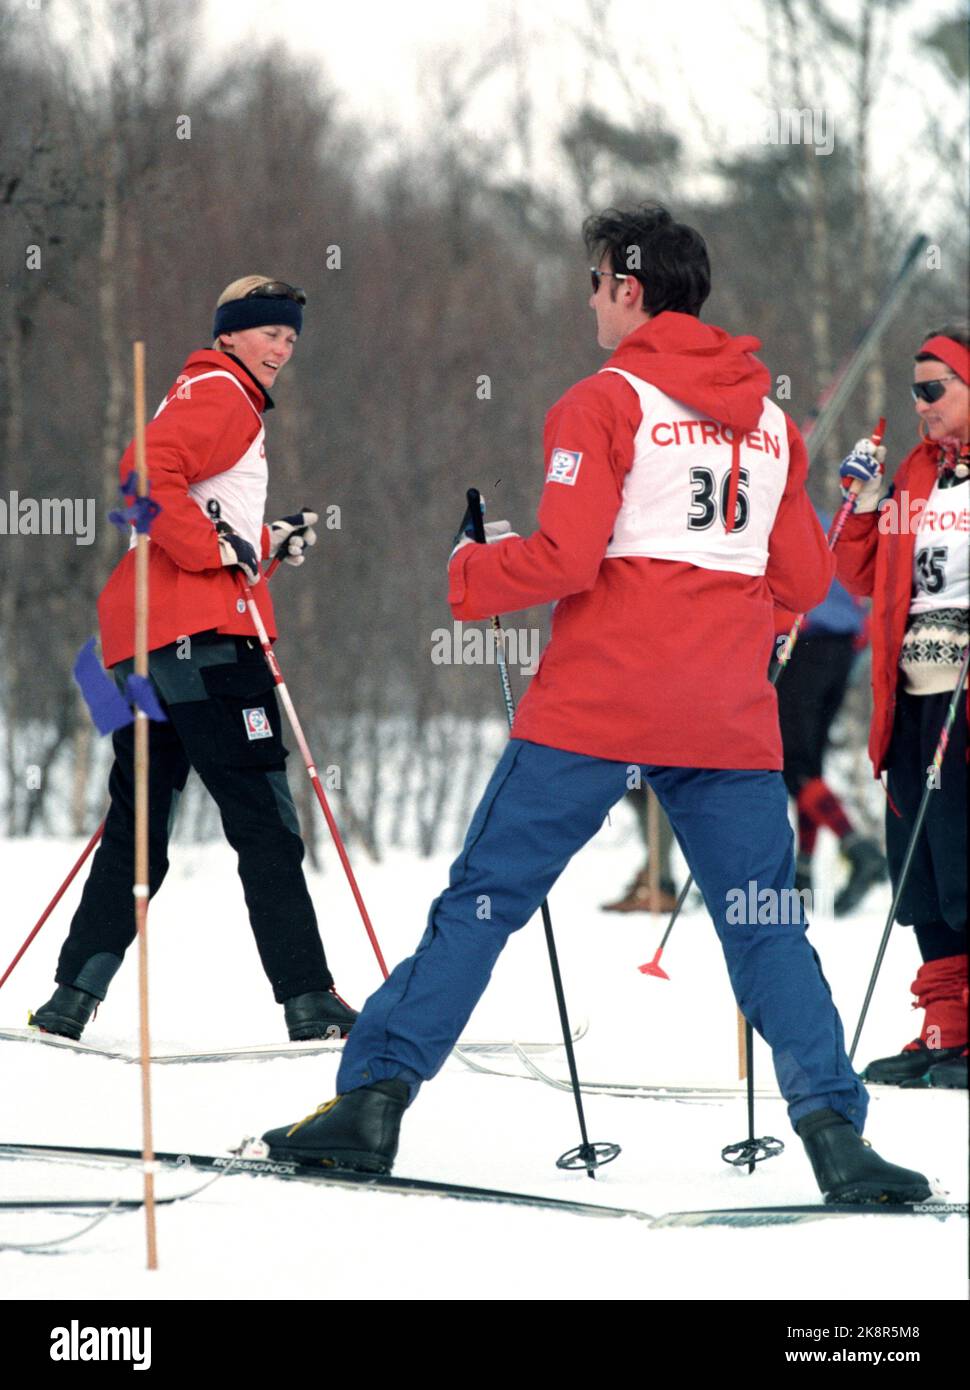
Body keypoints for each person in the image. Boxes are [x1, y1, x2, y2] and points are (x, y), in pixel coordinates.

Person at [262, 206, 929, 1203]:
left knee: (482, 903)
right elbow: (797, 577)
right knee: (763, 925)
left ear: (627, 286)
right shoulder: (770, 424)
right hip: (723, 719)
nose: (586, 302)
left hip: (595, 706)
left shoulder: (602, 401)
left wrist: (470, 569)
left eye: (591, 284)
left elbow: (566, 558)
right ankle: (836, 1135)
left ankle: (372, 1102)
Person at [31, 277, 357, 1044]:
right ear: (230, 336)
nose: (282, 349)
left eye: (290, 339)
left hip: (142, 648)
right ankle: (309, 999)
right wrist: (218, 548)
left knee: (138, 830)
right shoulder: (223, 395)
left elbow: (183, 518)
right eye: (269, 333)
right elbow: (143, 474)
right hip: (207, 649)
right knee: (263, 824)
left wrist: (264, 541)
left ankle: (71, 998)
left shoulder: (195, 394)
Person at [835, 325, 968, 1089]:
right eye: (914, 390)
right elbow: (859, 573)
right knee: (916, 857)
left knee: (963, 855)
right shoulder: (917, 472)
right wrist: (866, 503)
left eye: (935, 388)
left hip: (966, 692)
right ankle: (944, 1020)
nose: (920, 405)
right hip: (911, 691)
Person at [773, 526, 886, 914]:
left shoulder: (776, 515)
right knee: (810, 763)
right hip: (842, 646)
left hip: (800, 642)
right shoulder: (828, 519)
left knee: (792, 763)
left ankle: (857, 846)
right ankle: (803, 873)